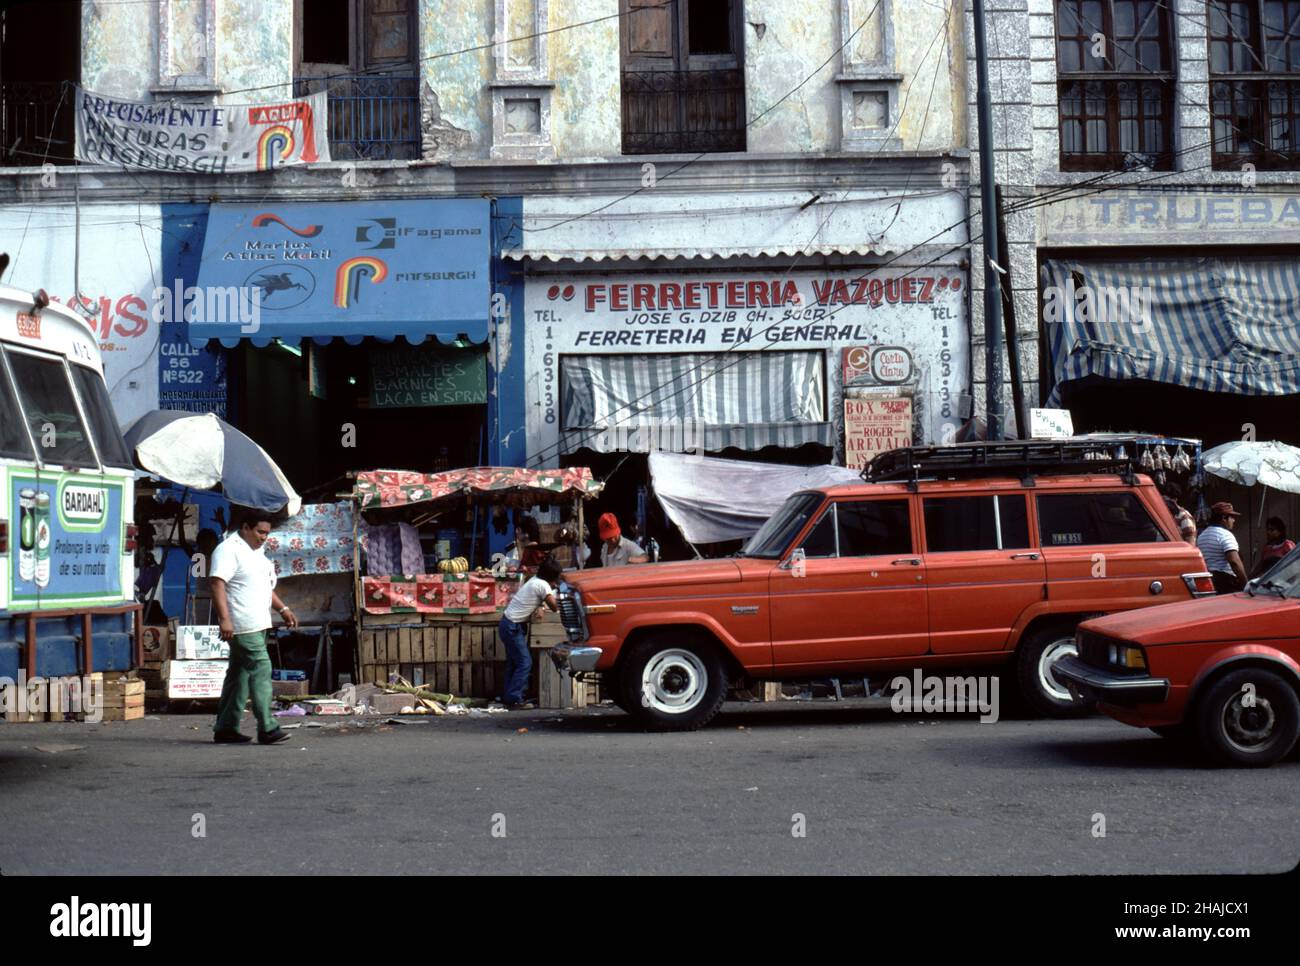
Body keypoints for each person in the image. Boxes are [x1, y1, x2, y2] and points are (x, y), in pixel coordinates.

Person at [210, 510, 299, 745]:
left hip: (258, 624)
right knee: (261, 667)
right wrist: (224, 619)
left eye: (267, 533)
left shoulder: (257, 553)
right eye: (260, 532)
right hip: (241, 625)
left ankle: (226, 727)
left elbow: (263, 587)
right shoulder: (228, 549)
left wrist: (283, 608)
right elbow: (217, 583)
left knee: (238, 675)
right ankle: (267, 727)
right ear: (246, 527)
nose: (263, 537)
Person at [496, 556, 562, 710]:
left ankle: (509, 696)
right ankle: (514, 699)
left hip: (508, 624)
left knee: (514, 663)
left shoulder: (534, 581)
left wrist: (541, 606)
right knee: (525, 662)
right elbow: (554, 607)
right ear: (552, 577)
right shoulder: (543, 585)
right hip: (512, 626)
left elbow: (539, 600)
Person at [1197, 502, 1247, 594]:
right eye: (1232, 517)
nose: (1234, 520)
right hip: (1226, 582)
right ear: (1224, 518)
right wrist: (1245, 584)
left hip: (1209, 581)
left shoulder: (1202, 536)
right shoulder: (1225, 535)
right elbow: (1234, 562)